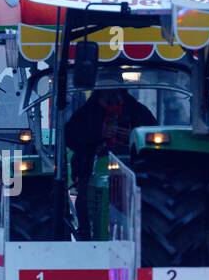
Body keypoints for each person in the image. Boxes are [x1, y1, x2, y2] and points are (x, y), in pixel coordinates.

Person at [64, 87, 156, 238]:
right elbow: (70, 136)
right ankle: (86, 234)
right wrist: (98, 133)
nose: (112, 97)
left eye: (116, 93)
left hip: (134, 169)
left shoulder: (138, 111)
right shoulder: (86, 113)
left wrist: (133, 135)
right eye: (107, 92)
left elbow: (153, 136)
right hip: (90, 168)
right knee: (83, 202)